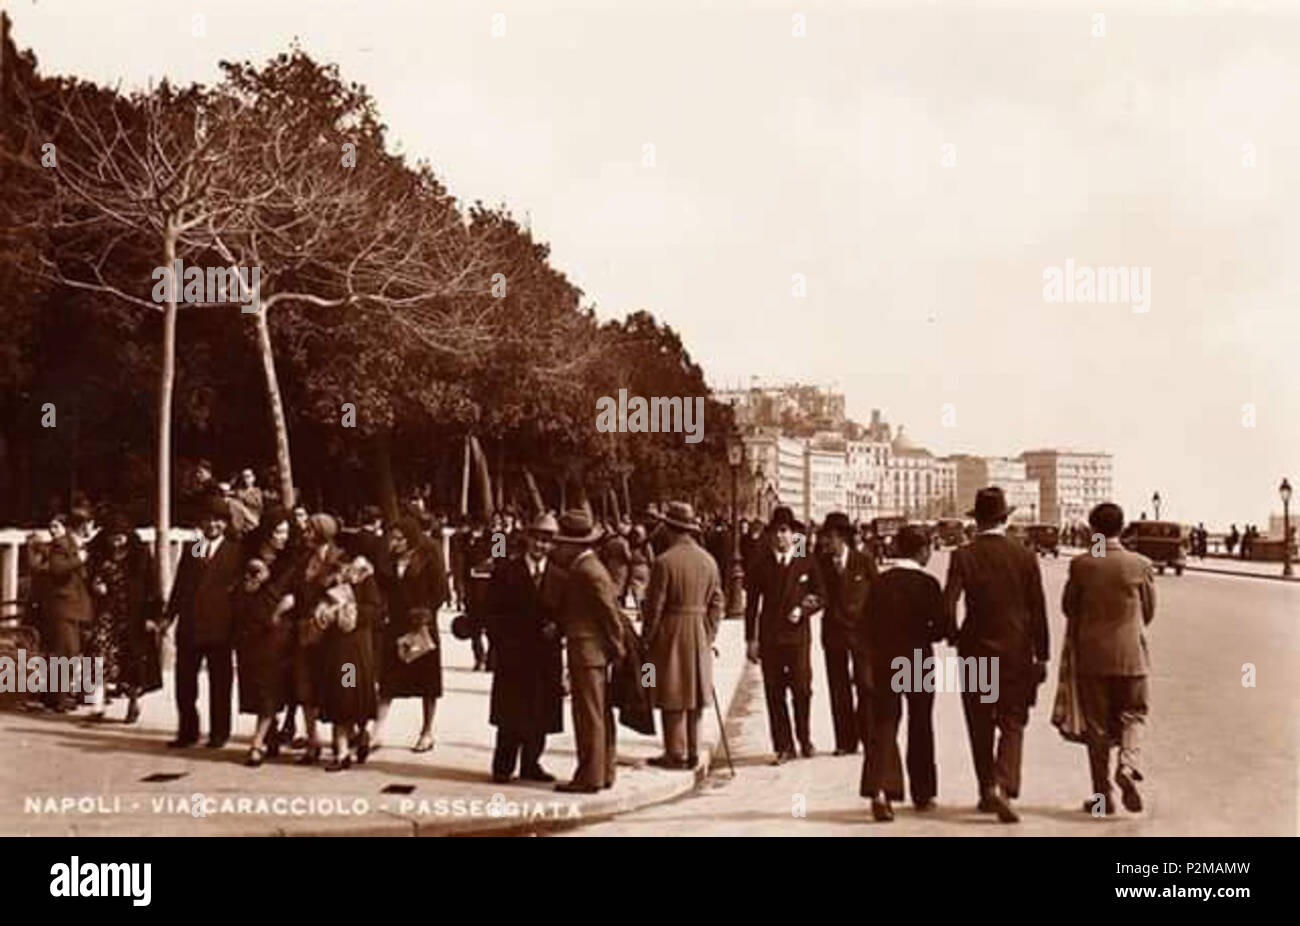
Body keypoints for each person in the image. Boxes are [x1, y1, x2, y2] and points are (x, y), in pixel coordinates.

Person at [942, 487, 1049, 824]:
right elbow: (1037, 609)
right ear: (1005, 518)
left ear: (978, 519)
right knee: (1012, 721)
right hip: (1016, 654)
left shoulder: (963, 555)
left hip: (976, 653)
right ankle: (1004, 786)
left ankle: (986, 788)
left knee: (979, 722)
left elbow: (948, 603)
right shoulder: (1024, 555)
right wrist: (1042, 654)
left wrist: (955, 635)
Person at [1063, 503, 1156, 815]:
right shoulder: (1140, 564)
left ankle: (1103, 798)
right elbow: (1149, 611)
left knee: (1097, 728)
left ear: (1092, 529)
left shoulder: (1082, 565)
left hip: (1092, 659)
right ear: (1123, 527)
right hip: (1132, 656)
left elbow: (1069, 608)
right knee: (1134, 715)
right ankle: (1128, 766)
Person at [862, 526, 944, 821]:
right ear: (922, 551)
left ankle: (880, 790)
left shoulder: (881, 583)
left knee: (884, 724)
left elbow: (866, 624)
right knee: (920, 723)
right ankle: (923, 792)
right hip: (918, 660)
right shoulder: (929, 585)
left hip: (886, 660)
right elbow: (942, 628)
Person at [641, 502, 724, 770]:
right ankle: (692, 750)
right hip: (698, 630)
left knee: (671, 691)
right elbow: (718, 602)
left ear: (670, 528)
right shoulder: (708, 561)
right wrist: (709, 632)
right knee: (695, 692)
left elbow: (654, 606)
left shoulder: (664, 562)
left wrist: (647, 637)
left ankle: (674, 753)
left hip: (671, 631)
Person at [485, 513, 567, 783]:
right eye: (537, 539)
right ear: (527, 539)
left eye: (546, 541)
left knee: (540, 713)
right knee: (510, 713)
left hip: (545, 656)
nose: (540, 546)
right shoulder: (506, 571)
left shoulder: (560, 577)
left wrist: (558, 628)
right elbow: (492, 613)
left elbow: (568, 614)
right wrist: (501, 644)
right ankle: (503, 766)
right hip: (514, 655)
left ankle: (532, 763)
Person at [550, 510, 627, 793]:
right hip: (594, 649)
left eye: (562, 542)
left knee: (588, 714)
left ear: (574, 544)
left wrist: (617, 647)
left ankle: (589, 776)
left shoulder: (586, 570)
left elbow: (609, 612)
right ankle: (604, 770)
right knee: (600, 713)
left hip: (587, 650)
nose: (558, 547)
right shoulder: (590, 567)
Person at [162, 499, 242, 748]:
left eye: (218, 520)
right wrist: (168, 616)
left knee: (220, 684)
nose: (212, 524)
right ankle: (188, 731)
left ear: (226, 523)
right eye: (208, 519)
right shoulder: (194, 549)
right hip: (190, 627)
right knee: (184, 684)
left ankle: (220, 733)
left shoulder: (235, 551)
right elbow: (181, 586)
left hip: (221, 629)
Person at [744, 505, 820, 763]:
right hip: (771, 637)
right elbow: (752, 604)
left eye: (785, 531)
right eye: (776, 532)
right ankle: (783, 746)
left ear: (793, 534)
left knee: (802, 690)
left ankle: (804, 737)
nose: (780, 537)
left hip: (798, 638)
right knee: (774, 692)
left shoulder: (805, 561)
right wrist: (751, 640)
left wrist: (804, 610)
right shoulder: (760, 563)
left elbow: (820, 595)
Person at [374, 517, 448, 754]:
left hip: (422, 627)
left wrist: (426, 613)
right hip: (396, 624)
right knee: (388, 681)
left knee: (427, 684)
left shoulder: (430, 553)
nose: (393, 542)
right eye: (391, 537)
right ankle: (377, 730)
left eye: (398, 538)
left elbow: (441, 590)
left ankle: (427, 732)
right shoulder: (387, 559)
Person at [810, 511, 878, 757]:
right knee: (838, 688)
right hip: (833, 633)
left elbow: (878, 595)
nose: (826, 542)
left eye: (829, 537)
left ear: (841, 538)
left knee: (866, 684)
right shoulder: (821, 563)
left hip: (862, 633)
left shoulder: (864, 561)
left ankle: (867, 734)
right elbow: (816, 592)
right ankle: (845, 741)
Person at [86, 513, 160, 723]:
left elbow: (152, 587)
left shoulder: (141, 555)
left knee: (133, 662)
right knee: (99, 658)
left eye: (120, 537)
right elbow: (90, 579)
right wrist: (95, 587)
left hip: (133, 617)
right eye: (112, 537)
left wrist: (153, 616)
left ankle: (133, 702)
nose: (116, 541)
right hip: (107, 616)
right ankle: (97, 705)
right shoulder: (101, 556)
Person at [38, 514, 94, 712]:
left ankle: (56, 696)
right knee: (65, 652)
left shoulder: (74, 544)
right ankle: (58, 698)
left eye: (56, 526)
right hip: (64, 606)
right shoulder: (61, 545)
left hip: (73, 607)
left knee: (68, 652)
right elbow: (57, 569)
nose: (52, 531)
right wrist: (79, 560)